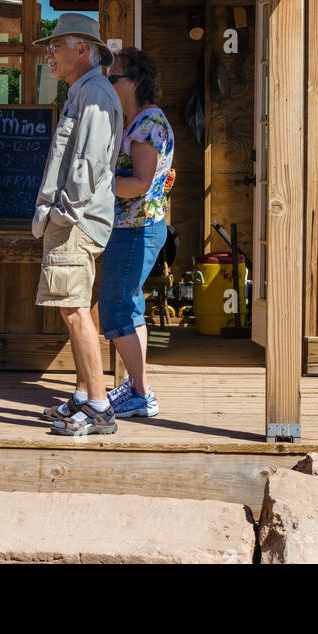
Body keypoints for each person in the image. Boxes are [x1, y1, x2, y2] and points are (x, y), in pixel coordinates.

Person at [31, 14, 123, 436]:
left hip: (76, 221)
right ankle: (84, 397)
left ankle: (100, 408)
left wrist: (63, 212)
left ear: (82, 50)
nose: (48, 54)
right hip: (76, 219)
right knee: (76, 309)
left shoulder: (95, 93)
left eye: (56, 46)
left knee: (74, 312)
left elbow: (88, 164)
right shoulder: (87, 90)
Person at [100, 47, 174, 419]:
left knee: (117, 307)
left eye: (113, 78)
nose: (107, 83)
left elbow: (140, 184)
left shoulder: (147, 124)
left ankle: (142, 395)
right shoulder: (141, 121)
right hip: (136, 228)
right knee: (129, 306)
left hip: (136, 228)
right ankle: (136, 386)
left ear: (136, 82)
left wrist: (95, 184)